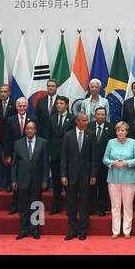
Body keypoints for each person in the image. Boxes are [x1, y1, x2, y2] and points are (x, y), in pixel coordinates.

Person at [60, 109, 98, 241]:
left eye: (87, 120)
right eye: (84, 120)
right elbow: (63, 157)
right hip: (70, 175)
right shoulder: (68, 135)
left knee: (84, 203)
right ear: (77, 122)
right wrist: (63, 175)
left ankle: (83, 230)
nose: (87, 122)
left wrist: (93, 174)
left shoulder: (91, 135)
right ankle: (72, 230)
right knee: (70, 204)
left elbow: (94, 157)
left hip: (86, 175)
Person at [11, 119, 48, 239]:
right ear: (25, 130)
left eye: (32, 128)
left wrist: (45, 180)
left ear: (35, 130)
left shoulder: (43, 143)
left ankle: (35, 230)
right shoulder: (18, 143)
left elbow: (45, 164)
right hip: (22, 180)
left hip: (37, 180)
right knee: (23, 206)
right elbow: (14, 164)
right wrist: (14, 180)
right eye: (28, 128)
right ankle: (24, 229)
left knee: (36, 205)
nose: (30, 130)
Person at [102, 121, 135, 238]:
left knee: (128, 205)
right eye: (118, 130)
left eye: (123, 130)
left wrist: (127, 163)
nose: (120, 132)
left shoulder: (133, 142)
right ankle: (116, 231)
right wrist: (112, 163)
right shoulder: (111, 142)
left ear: (126, 131)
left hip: (128, 178)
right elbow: (105, 159)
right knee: (115, 205)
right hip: (113, 178)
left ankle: (127, 231)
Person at [41, 95, 74, 214]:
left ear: (66, 105)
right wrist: (49, 152)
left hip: (68, 156)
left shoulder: (72, 118)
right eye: (57, 103)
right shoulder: (52, 118)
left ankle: (70, 207)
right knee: (56, 181)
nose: (58, 105)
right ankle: (57, 205)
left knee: (68, 182)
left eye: (61, 103)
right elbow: (48, 136)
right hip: (54, 154)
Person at [2, 97, 32, 213]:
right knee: (15, 181)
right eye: (20, 106)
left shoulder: (32, 119)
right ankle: (15, 204)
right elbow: (6, 138)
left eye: (24, 106)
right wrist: (8, 155)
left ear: (27, 107)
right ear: (16, 107)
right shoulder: (10, 120)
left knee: (27, 181)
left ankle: (27, 205)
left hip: (28, 155)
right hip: (14, 155)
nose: (22, 108)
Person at [90, 105, 115, 215]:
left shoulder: (111, 128)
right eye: (98, 114)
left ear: (106, 116)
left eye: (102, 115)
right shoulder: (89, 126)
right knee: (91, 187)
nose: (100, 116)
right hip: (90, 162)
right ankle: (92, 207)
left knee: (103, 187)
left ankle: (102, 208)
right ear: (95, 116)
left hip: (105, 163)